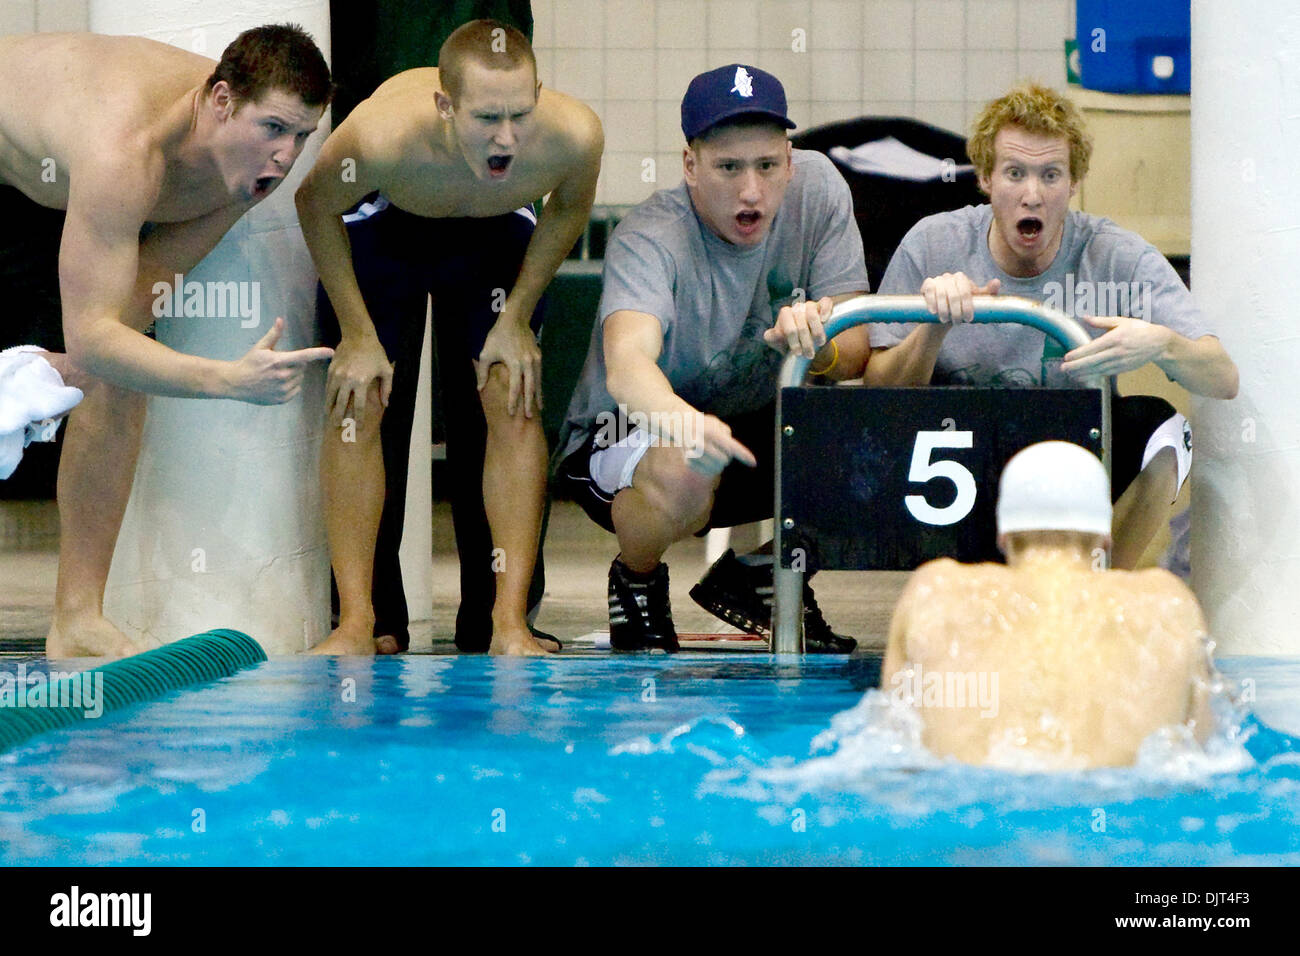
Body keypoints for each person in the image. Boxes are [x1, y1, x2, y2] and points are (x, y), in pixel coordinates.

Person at [556, 64, 941, 653]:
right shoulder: (651, 237)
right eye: (728, 168)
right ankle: (636, 577)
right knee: (689, 463)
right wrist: (683, 422)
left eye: (766, 166)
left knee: (895, 446)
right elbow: (628, 364)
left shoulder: (818, 189)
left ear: (789, 160)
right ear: (690, 167)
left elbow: (858, 352)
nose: (751, 191)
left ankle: (759, 575)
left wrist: (818, 347)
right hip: (632, 433)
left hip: (756, 425)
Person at [0, 27, 334, 658]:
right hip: (28, 168)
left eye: (302, 136)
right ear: (221, 102)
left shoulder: (245, 170)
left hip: (57, 192)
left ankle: (75, 616)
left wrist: (42, 377)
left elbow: (120, 321)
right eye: (273, 128)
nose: (287, 156)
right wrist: (225, 379)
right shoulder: (124, 147)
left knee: (127, 376)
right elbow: (91, 337)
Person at [295, 19, 602, 656]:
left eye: (521, 113)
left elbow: (569, 209)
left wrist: (515, 316)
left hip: (493, 231)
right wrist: (356, 335)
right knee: (360, 398)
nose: (507, 137)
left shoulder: (572, 135)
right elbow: (314, 203)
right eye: (487, 118)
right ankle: (359, 621)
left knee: (510, 392)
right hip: (388, 224)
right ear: (445, 105)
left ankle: (506, 622)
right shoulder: (382, 138)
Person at [865, 82, 1238, 569]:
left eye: (1051, 175)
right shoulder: (935, 245)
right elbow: (876, 394)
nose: (1032, 196)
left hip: (1070, 450)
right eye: (1015, 174)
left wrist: (1162, 344)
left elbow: (1223, 378)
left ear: (1074, 183)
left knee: (1165, 432)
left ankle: (1090, 598)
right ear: (985, 178)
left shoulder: (1113, 254)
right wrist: (932, 329)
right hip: (958, 454)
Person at [881, 441, 1214, 768]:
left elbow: (896, 745)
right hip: (1113, 806)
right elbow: (1201, 750)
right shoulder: (1166, 603)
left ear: (1003, 535)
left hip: (976, 806)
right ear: (1105, 537)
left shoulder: (934, 591)